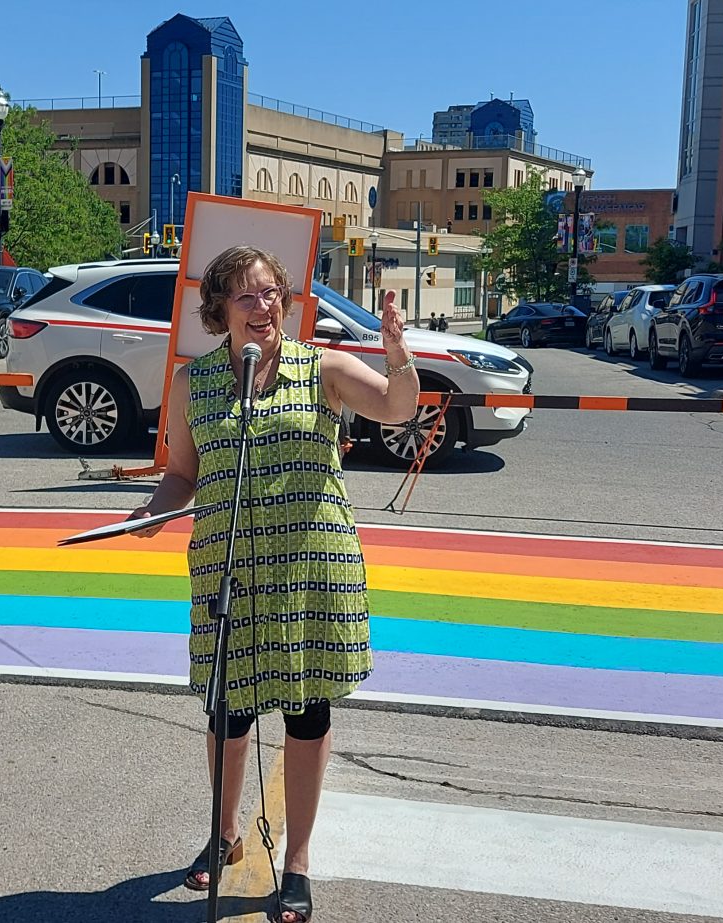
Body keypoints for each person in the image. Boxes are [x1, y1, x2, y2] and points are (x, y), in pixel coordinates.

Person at [127, 245, 417, 923]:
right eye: (247, 296)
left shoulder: (324, 370)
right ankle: (223, 831)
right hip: (229, 571)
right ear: (219, 309)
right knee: (228, 712)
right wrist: (155, 511)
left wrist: (395, 352)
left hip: (311, 571)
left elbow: (398, 408)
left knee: (305, 715)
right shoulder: (192, 383)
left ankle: (298, 861)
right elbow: (181, 474)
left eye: (271, 293)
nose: (263, 308)